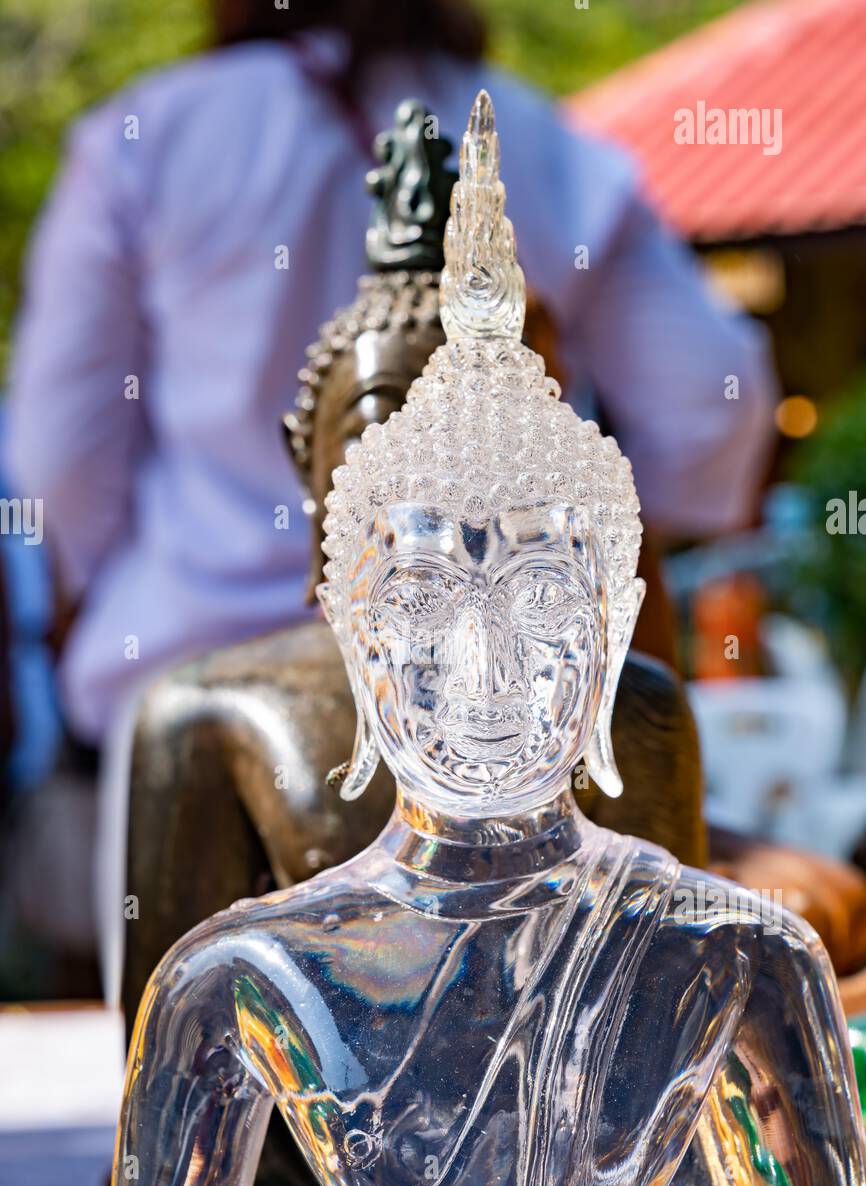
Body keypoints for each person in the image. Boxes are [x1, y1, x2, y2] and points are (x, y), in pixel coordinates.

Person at [5, 0, 776, 751]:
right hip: (503, 713)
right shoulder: (543, 143)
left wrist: (92, 590)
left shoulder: (148, 140)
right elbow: (712, 406)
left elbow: (58, 463)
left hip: (192, 669)